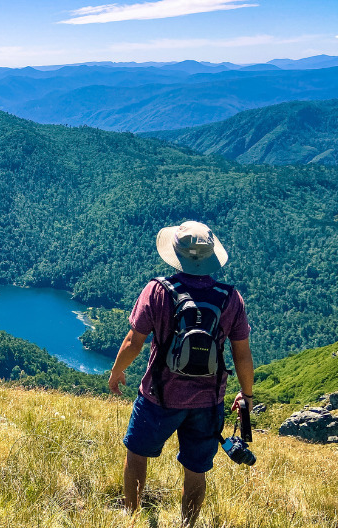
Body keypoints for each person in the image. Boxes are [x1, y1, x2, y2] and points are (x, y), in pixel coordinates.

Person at [108, 221, 254, 527]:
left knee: (137, 453)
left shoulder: (159, 290)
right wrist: (247, 394)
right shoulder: (230, 299)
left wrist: (117, 372)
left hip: (159, 396)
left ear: (177, 255)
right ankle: (188, 523)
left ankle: (131, 516)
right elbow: (242, 354)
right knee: (196, 468)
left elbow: (134, 341)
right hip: (207, 401)